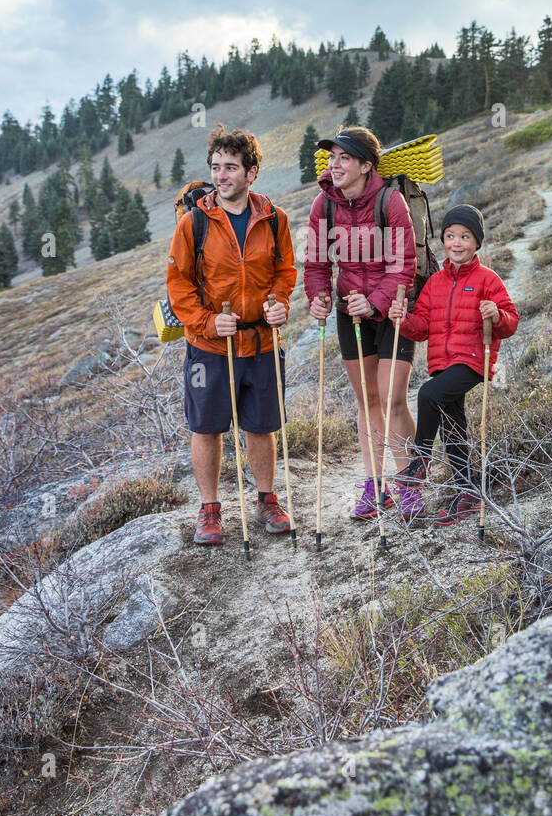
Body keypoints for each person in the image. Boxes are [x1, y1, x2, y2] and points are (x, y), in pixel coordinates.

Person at [166, 124, 297, 545]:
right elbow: (179, 284)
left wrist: (278, 303)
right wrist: (205, 322)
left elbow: (285, 272)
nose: (221, 176)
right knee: (206, 427)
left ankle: (267, 500)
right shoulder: (193, 224)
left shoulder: (275, 219)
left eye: (231, 168)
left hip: (260, 343)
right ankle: (209, 510)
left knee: (261, 425)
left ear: (252, 172)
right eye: (216, 167)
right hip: (209, 346)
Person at [303, 126, 420, 519]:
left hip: (393, 310)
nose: (335, 165)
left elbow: (404, 266)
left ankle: (409, 482)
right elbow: (317, 263)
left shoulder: (391, 201)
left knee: (392, 397)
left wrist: (374, 304)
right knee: (367, 399)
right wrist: (318, 299)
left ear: (366, 166)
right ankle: (375, 486)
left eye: (344, 158)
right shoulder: (325, 205)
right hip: (348, 311)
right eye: (332, 157)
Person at [388, 203, 519, 526]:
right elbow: (421, 327)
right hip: (441, 363)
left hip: (472, 360)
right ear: (443, 240)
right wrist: (403, 320)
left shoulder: (488, 279)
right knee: (452, 424)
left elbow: (511, 321)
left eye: (464, 236)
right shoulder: (435, 283)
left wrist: (496, 315)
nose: (456, 243)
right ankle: (467, 491)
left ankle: (419, 463)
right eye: (450, 236)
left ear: (476, 243)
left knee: (429, 394)